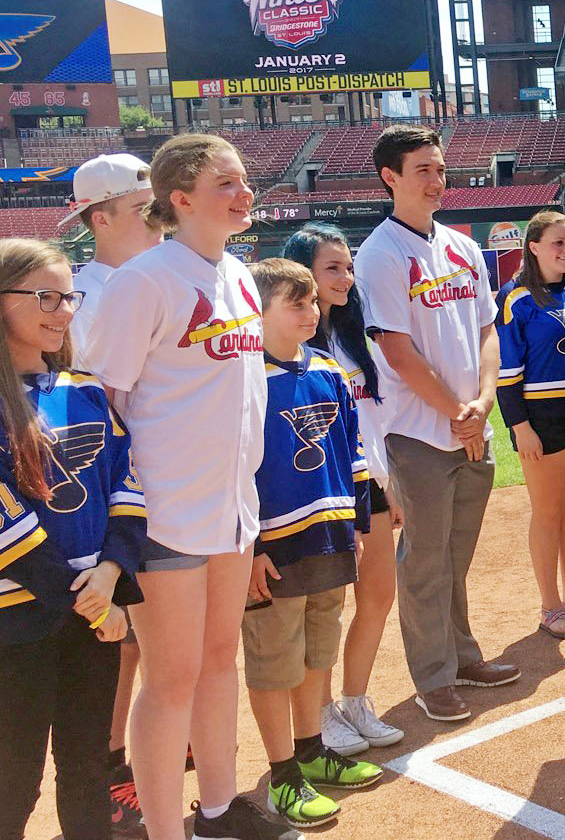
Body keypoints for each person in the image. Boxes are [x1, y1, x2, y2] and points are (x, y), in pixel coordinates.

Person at [83, 135, 295, 840]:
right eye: (227, 183)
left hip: (231, 507)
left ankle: (218, 807)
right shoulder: (144, 281)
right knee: (169, 678)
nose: (245, 193)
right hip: (165, 510)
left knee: (217, 660)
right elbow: (105, 402)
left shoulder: (236, 272)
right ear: (180, 198)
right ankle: (165, 831)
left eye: (245, 180)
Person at [356, 124, 518, 726]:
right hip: (420, 433)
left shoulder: (463, 245)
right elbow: (396, 351)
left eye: (441, 168)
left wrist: (482, 402)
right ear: (390, 177)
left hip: (470, 425)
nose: (437, 179)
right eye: (422, 169)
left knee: (457, 554)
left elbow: (485, 332)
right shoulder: (379, 253)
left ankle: (462, 656)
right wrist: (458, 413)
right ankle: (433, 677)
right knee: (424, 561)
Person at [0, 238, 145, 840]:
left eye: (68, 297)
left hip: (94, 608)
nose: (63, 311)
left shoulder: (84, 389)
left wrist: (110, 575)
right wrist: (86, 600)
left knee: (87, 768)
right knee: (14, 774)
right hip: (19, 618)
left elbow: (127, 488)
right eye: (46, 296)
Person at [243, 259, 383, 828]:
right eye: (293, 303)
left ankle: (311, 751)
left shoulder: (326, 368)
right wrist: (250, 548)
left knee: (316, 652)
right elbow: (235, 472)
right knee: (275, 661)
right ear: (258, 312)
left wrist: (357, 521)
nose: (309, 311)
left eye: (310, 302)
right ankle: (282, 775)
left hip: (329, 536)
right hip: (274, 547)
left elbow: (351, 450)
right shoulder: (245, 380)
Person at [63, 152, 163, 835]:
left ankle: (140, 754)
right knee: (117, 639)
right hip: (111, 495)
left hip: (170, 487)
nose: (159, 218)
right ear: (100, 218)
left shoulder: (168, 277)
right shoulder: (75, 294)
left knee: (160, 641)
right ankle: (108, 771)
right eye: (143, 207)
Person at [281, 224, 404, 754]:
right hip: (319, 490)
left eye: (349, 267)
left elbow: (372, 419)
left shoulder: (354, 337)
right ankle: (321, 712)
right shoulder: (287, 345)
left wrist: (389, 480)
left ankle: (355, 700)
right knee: (321, 609)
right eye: (332, 267)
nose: (346, 277)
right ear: (300, 271)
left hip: (367, 479)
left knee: (377, 595)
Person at [495, 211, 565, 640]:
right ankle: (549, 606)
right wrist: (520, 426)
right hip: (541, 418)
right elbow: (507, 371)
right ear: (534, 247)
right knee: (548, 511)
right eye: (558, 243)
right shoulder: (516, 298)